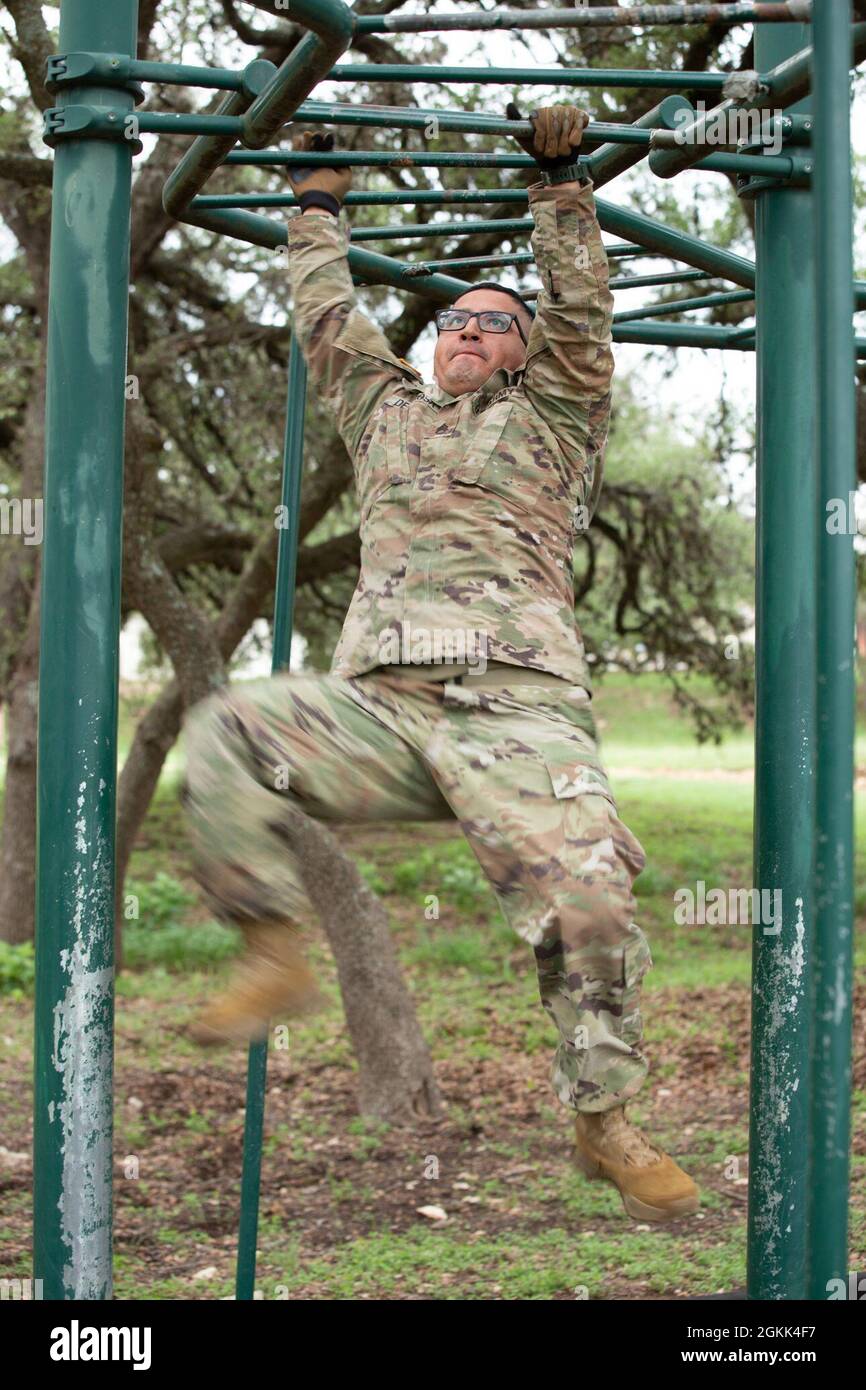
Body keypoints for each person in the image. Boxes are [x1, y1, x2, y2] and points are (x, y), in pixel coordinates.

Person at [182, 104, 699, 1223]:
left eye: (493, 322)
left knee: (592, 907)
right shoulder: (382, 415)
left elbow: (581, 313)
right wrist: (317, 204)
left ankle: (599, 1116)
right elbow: (325, 312)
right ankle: (271, 946)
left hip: (519, 712)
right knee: (226, 727)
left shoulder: (556, 416)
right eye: (455, 319)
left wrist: (557, 184)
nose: (467, 330)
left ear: (521, 354)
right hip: (386, 708)